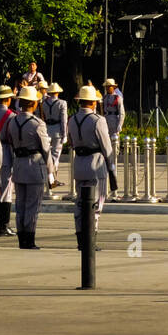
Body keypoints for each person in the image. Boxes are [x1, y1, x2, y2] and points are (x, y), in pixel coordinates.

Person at [67, 85, 113, 249]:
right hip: (96, 164)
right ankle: (90, 241)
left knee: (80, 204)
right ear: (93, 102)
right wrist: (111, 168)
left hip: (79, 164)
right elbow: (107, 148)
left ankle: (81, 239)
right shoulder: (98, 120)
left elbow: (71, 142)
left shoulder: (72, 119)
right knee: (95, 206)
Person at [9, 86, 50, 249]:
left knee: (20, 205)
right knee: (32, 205)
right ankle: (29, 239)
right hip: (34, 166)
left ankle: (21, 239)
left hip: (19, 165)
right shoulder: (37, 123)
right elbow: (45, 148)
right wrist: (51, 171)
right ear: (33, 103)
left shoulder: (13, 122)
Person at [0, 86, 17, 237]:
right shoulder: (11, 116)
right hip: (6, 152)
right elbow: (12, 137)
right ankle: (3, 225)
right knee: (6, 191)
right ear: (7, 100)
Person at [40, 82, 68, 192]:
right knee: (55, 156)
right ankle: (51, 177)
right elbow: (64, 120)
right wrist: (65, 134)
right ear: (57, 92)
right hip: (57, 131)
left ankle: (50, 176)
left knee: (47, 154)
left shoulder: (43, 103)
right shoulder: (62, 103)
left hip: (46, 129)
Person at [102, 78, 125, 189]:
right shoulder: (105, 97)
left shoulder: (118, 98)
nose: (107, 88)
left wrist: (120, 124)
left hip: (114, 120)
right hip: (106, 119)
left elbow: (122, 112)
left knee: (114, 145)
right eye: (106, 87)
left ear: (113, 87)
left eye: (109, 86)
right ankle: (108, 163)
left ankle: (113, 163)